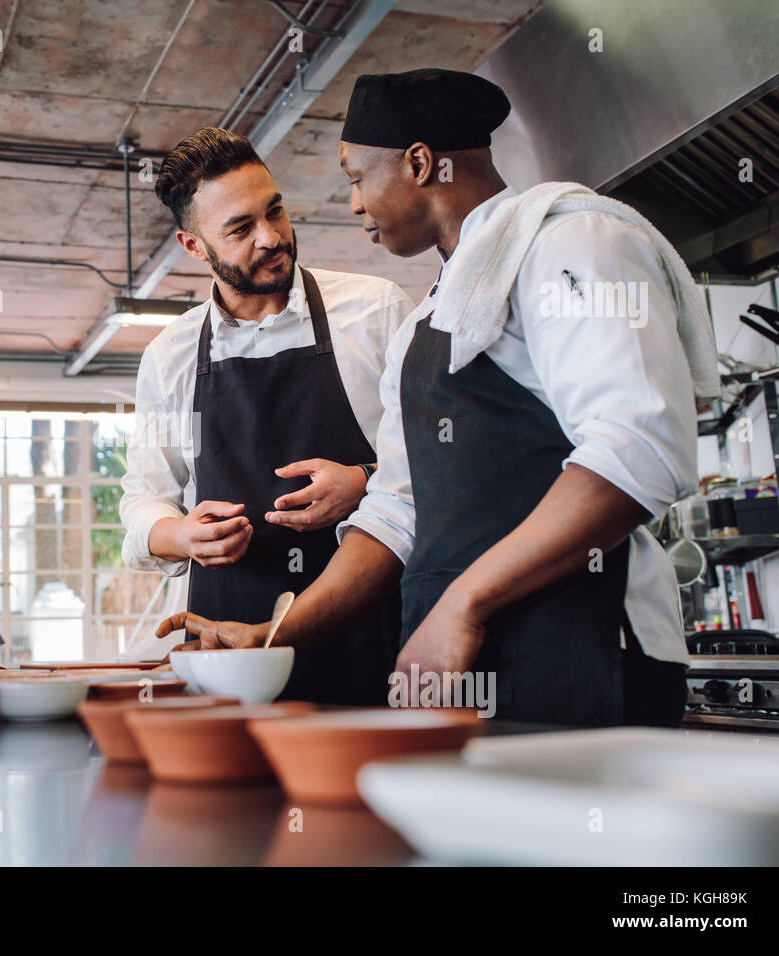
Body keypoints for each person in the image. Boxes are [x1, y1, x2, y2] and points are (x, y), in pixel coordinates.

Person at [156, 71, 720, 727]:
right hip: (461, 665)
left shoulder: (572, 242)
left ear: (420, 164)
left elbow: (640, 449)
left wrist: (464, 603)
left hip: (585, 648)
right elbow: (395, 513)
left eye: (357, 178)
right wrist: (274, 637)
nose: (354, 204)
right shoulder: (426, 322)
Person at [120, 127, 414, 704]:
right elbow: (142, 497)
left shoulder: (374, 311)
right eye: (240, 228)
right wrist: (180, 533)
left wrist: (363, 482)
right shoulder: (171, 356)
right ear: (194, 246)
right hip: (229, 653)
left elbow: (435, 465)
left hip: (370, 632)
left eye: (274, 211)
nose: (271, 237)